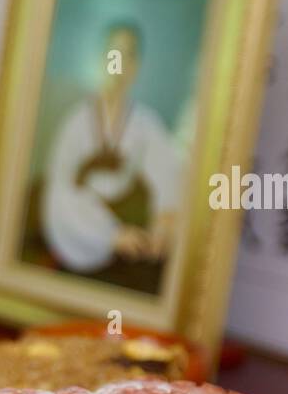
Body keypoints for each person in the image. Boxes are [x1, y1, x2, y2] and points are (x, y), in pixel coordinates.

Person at [31, 20, 186, 295]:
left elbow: (168, 179)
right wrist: (111, 236)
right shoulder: (75, 122)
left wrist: (163, 225)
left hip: (127, 250)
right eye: (114, 53)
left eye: (128, 55)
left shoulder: (145, 124)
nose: (120, 63)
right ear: (102, 59)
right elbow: (59, 195)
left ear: (137, 65)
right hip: (79, 237)